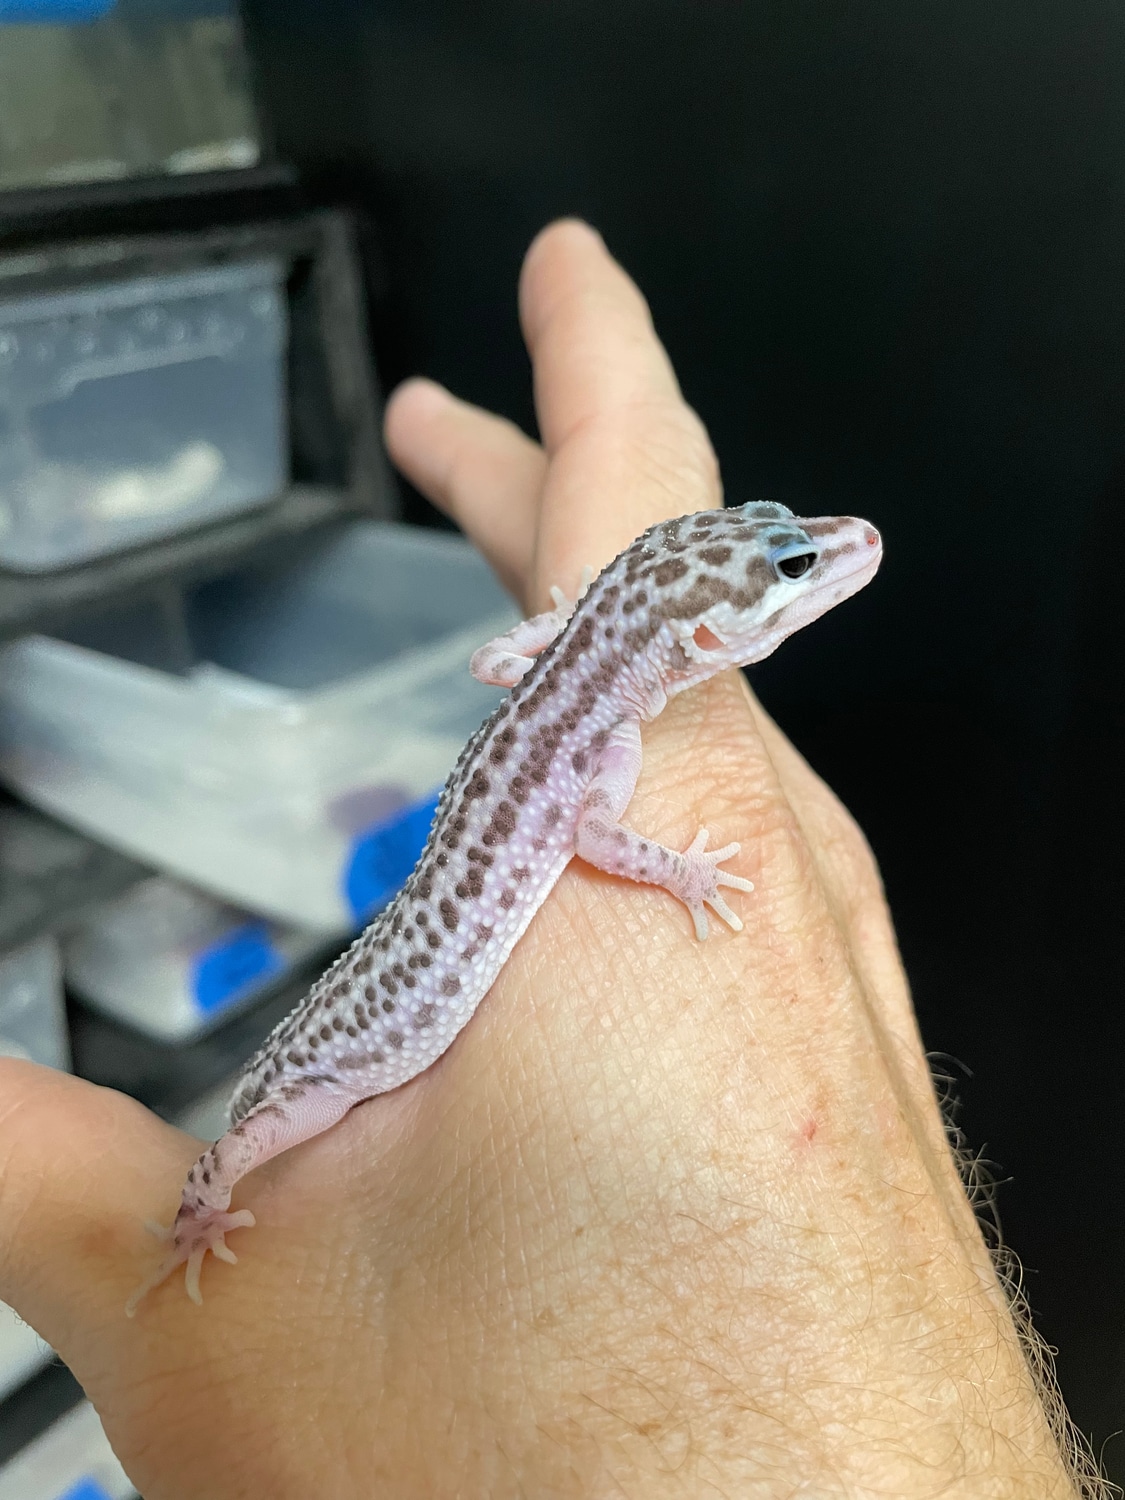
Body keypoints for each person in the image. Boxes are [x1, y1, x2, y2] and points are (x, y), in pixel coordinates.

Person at [0, 220, 1100, 1498]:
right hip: (359, 1037)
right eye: (789, 565)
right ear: (695, 641)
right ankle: (203, 1203)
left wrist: (569, 639)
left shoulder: (577, 693)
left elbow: (498, 665)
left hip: (394, 963)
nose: (832, 550)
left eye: (784, 553)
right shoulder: (602, 740)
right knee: (256, 1135)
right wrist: (686, 875)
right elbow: (592, 836)